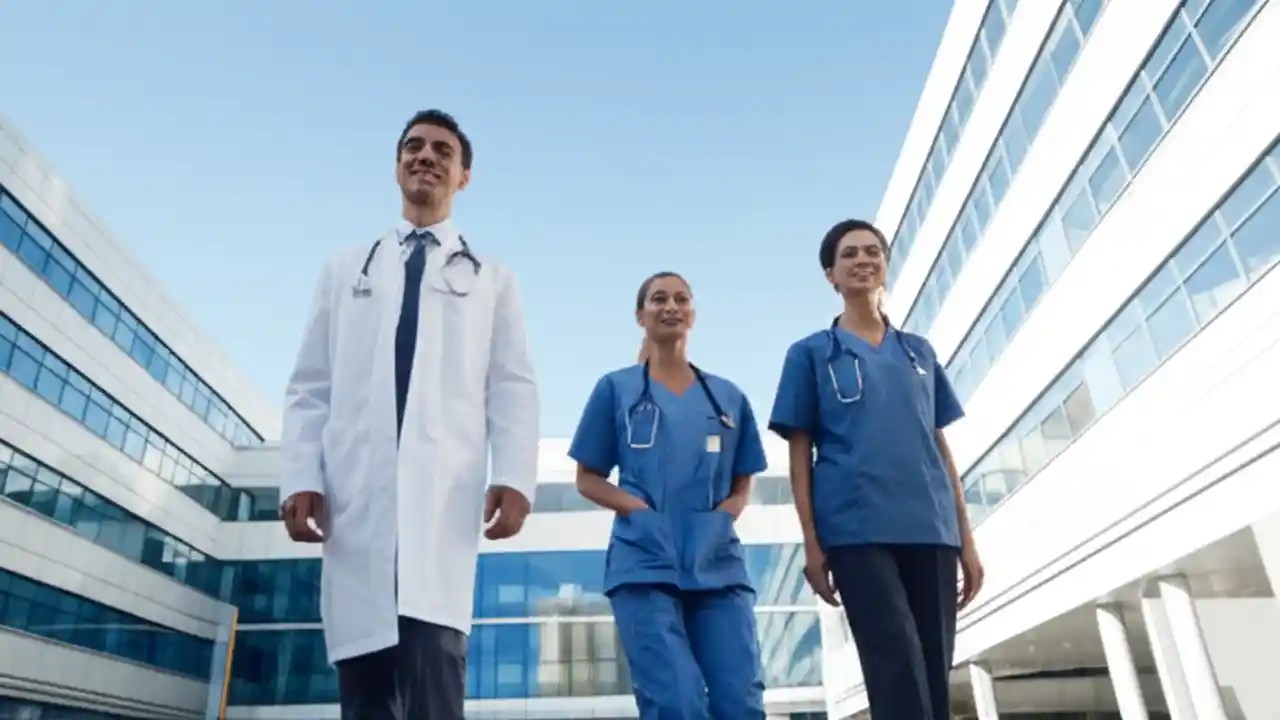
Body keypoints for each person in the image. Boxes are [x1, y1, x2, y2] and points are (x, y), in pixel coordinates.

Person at [278, 109, 540, 720]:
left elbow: (512, 386)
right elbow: (309, 385)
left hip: (439, 503)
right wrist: (302, 478)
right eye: (413, 147)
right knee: (366, 694)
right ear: (397, 165)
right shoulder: (346, 269)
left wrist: (515, 476)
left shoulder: (492, 280)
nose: (426, 157)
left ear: (463, 176)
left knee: (434, 686)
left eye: (442, 151)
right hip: (358, 502)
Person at [767, 218, 984, 720]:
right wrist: (813, 543)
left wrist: (967, 541)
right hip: (857, 529)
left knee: (933, 668)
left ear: (885, 265)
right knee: (894, 663)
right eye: (849, 255)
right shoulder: (810, 354)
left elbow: (940, 448)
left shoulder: (919, 353)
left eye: (873, 251)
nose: (863, 260)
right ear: (831, 276)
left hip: (930, 527)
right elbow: (800, 453)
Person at [569, 271, 769, 719]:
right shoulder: (616, 389)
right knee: (676, 701)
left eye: (681, 298)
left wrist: (726, 515)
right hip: (644, 562)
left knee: (740, 701)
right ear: (640, 315)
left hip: (716, 563)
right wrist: (636, 510)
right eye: (658, 299)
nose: (671, 306)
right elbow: (587, 477)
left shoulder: (727, 396)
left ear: (693, 313)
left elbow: (744, 476)